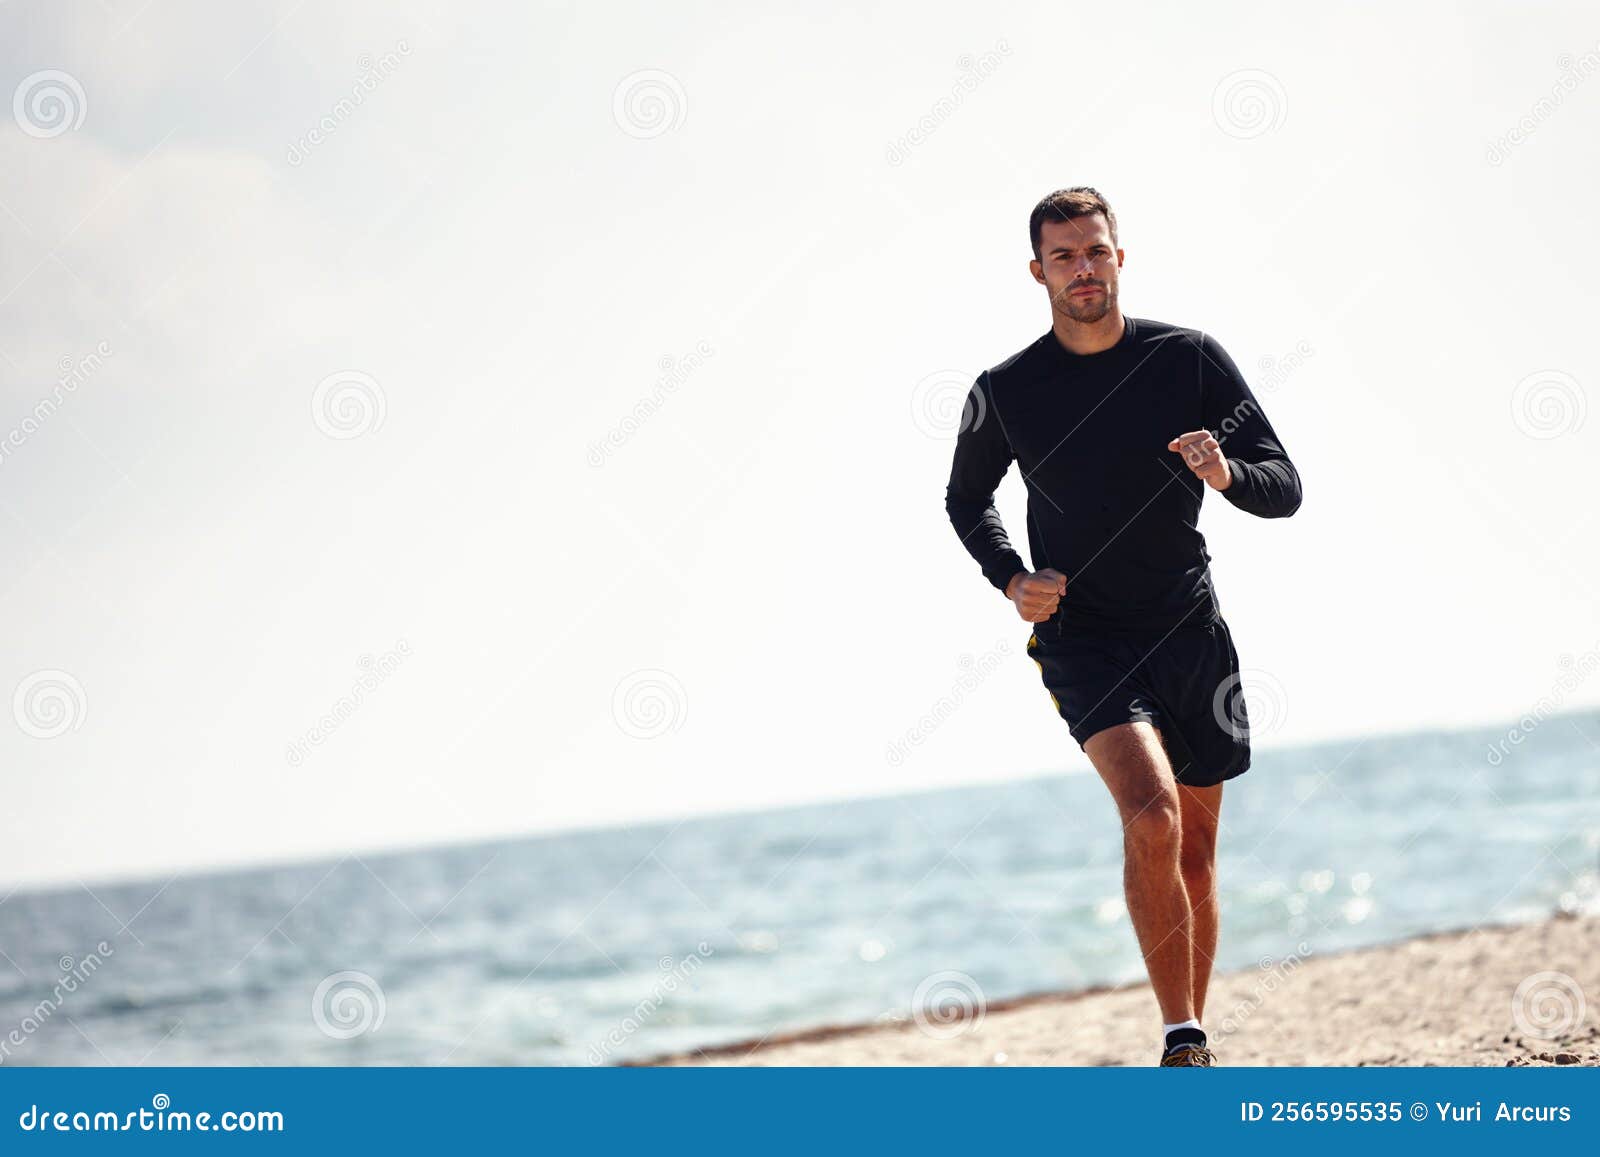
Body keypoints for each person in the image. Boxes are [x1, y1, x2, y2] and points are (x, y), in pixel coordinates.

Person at [944, 187, 1303, 1067]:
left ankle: (1195, 1030)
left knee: (1197, 841)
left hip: (1189, 625)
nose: (1082, 270)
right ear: (1039, 273)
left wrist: (1226, 475)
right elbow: (966, 497)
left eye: (1095, 251)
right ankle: (1181, 1040)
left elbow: (1284, 484)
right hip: (1083, 634)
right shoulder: (1006, 389)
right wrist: (1011, 576)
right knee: (1151, 813)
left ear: (1119, 256)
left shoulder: (1188, 359)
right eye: (1063, 257)